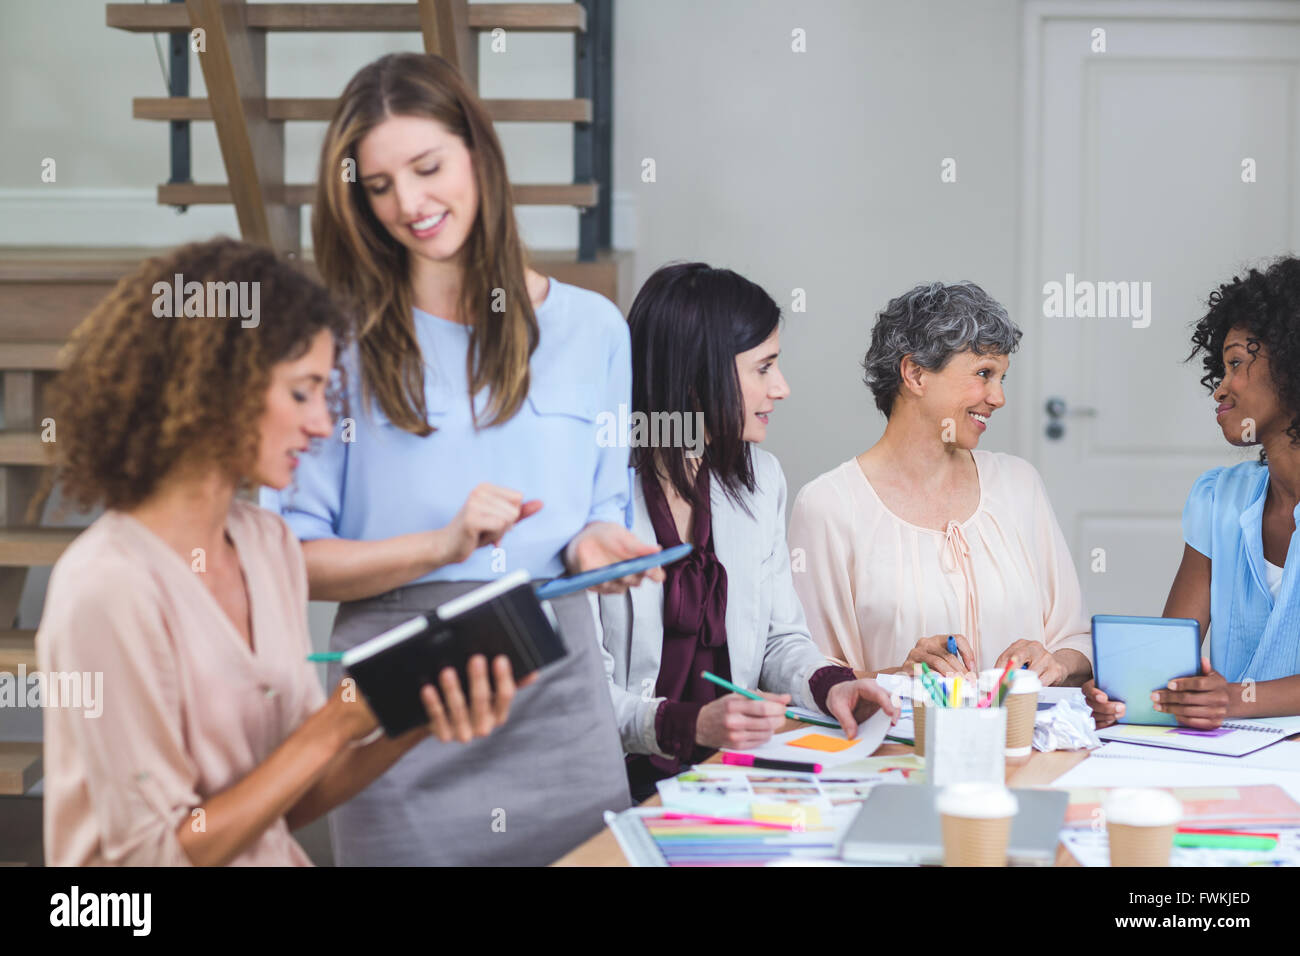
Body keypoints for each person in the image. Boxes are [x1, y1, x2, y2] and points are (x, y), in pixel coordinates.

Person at [264, 52, 660, 865]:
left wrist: (597, 547)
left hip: (559, 685)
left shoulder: (595, 331)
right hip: (399, 697)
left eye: (427, 166)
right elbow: (290, 562)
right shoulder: (334, 348)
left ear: (478, 153)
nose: (409, 204)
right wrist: (443, 545)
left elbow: (597, 514)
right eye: (378, 186)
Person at [37, 238, 521, 866]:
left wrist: (417, 716)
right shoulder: (106, 588)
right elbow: (148, 861)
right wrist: (338, 724)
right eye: (302, 392)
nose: (322, 424)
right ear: (214, 387)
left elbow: (290, 798)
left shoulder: (269, 547)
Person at [598, 264, 898, 800]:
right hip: (616, 788)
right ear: (696, 376)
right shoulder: (594, 495)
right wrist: (687, 725)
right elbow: (580, 694)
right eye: (764, 368)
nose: (781, 388)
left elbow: (780, 639)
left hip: (728, 779)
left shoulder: (760, 481)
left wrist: (833, 684)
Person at [788, 281, 1092, 685]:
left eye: (1001, 377)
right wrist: (901, 676)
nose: (998, 397)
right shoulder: (828, 506)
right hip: (898, 747)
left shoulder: (1020, 485)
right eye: (984, 374)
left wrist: (1055, 661)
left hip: (1022, 745)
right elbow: (805, 673)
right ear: (915, 373)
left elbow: (1077, 642)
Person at [1087, 258, 1300, 729]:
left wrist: (1234, 699)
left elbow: (1228, 698)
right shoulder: (1218, 499)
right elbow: (1169, 660)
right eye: (1221, 367)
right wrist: (1121, 691)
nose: (1220, 387)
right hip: (1226, 755)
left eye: (1238, 364)